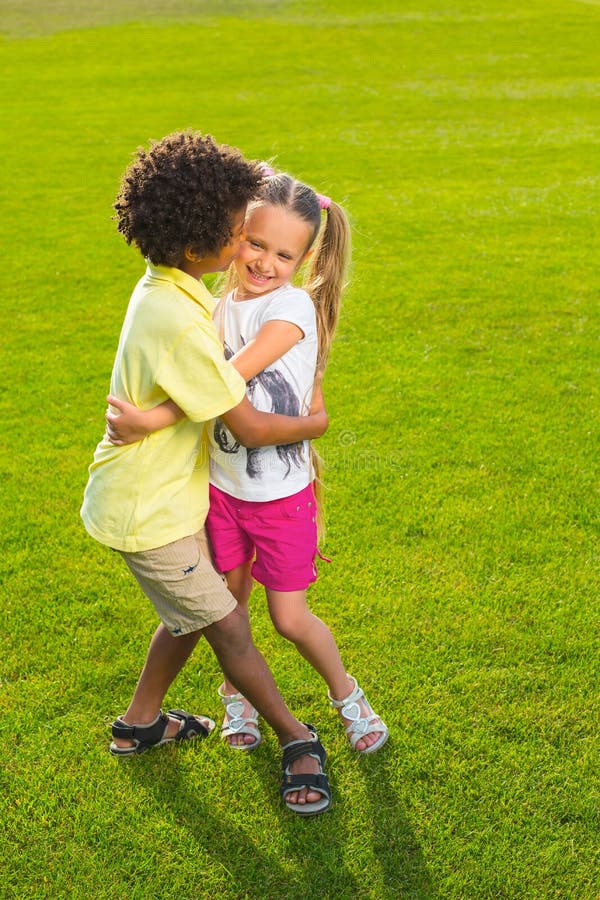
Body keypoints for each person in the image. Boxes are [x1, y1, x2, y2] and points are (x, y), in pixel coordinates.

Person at [81, 132, 332, 816]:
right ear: (201, 246)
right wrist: (313, 426)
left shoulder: (171, 286)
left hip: (159, 499)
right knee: (229, 630)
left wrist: (153, 421)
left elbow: (199, 389)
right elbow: (247, 424)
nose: (245, 245)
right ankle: (297, 739)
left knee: (189, 619)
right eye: (238, 234)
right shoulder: (180, 320)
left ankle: (139, 725)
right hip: (150, 517)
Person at [104, 166, 389, 759]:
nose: (264, 262)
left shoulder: (290, 312)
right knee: (226, 606)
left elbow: (226, 386)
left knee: (288, 618)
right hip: (224, 492)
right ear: (234, 235)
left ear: (305, 260)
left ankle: (348, 696)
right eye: (254, 243)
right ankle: (236, 698)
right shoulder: (215, 304)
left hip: (280, 497)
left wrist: (147, 422)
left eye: (284, 254)